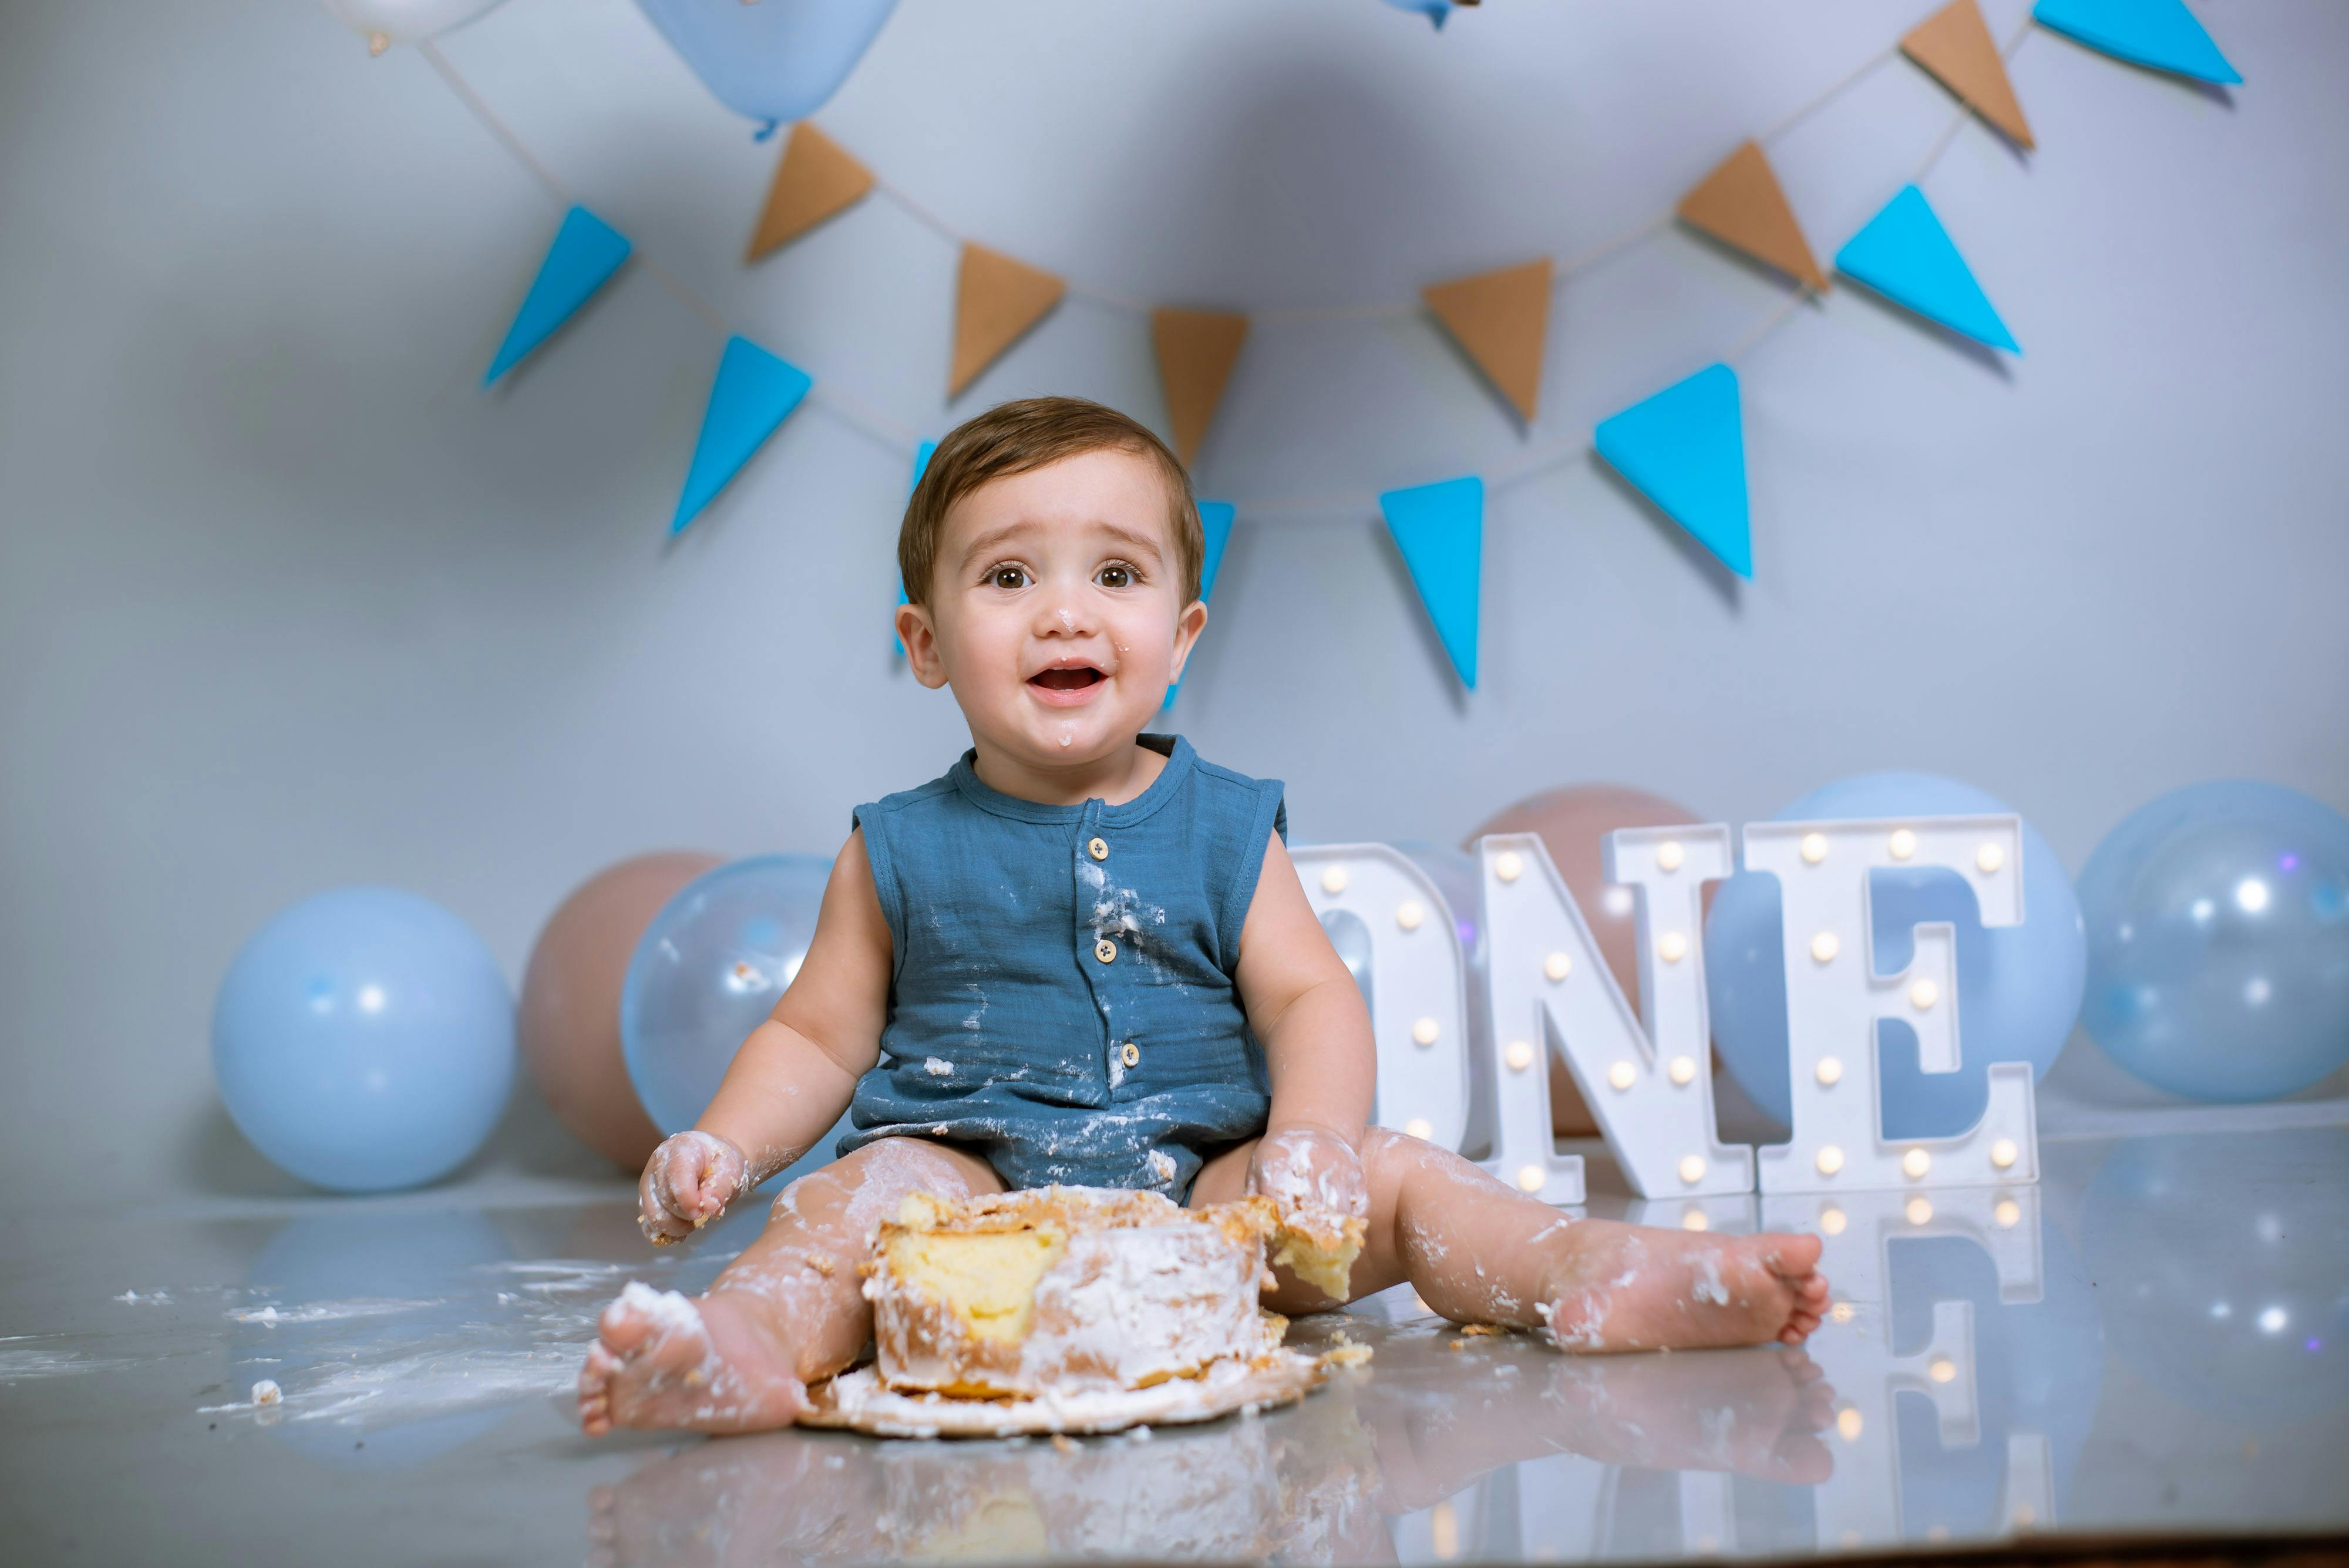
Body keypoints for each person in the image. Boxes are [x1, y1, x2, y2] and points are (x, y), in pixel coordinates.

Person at [578, 397, 1826, 1436]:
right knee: (843, 1212)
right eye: (1008, 576)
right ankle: (737, 1349)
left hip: (1203, 1194)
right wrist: (729, 1147)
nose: (1064, 612)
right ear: (925, 643)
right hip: (961, 1197)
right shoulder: (894, 846)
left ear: (1176, 641)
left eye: (1112, 575)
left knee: (1406, 1179)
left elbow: (1308, 997)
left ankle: (1581, 1275)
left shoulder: (1227, 828)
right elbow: (812, 1039)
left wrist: (1315, 1143)